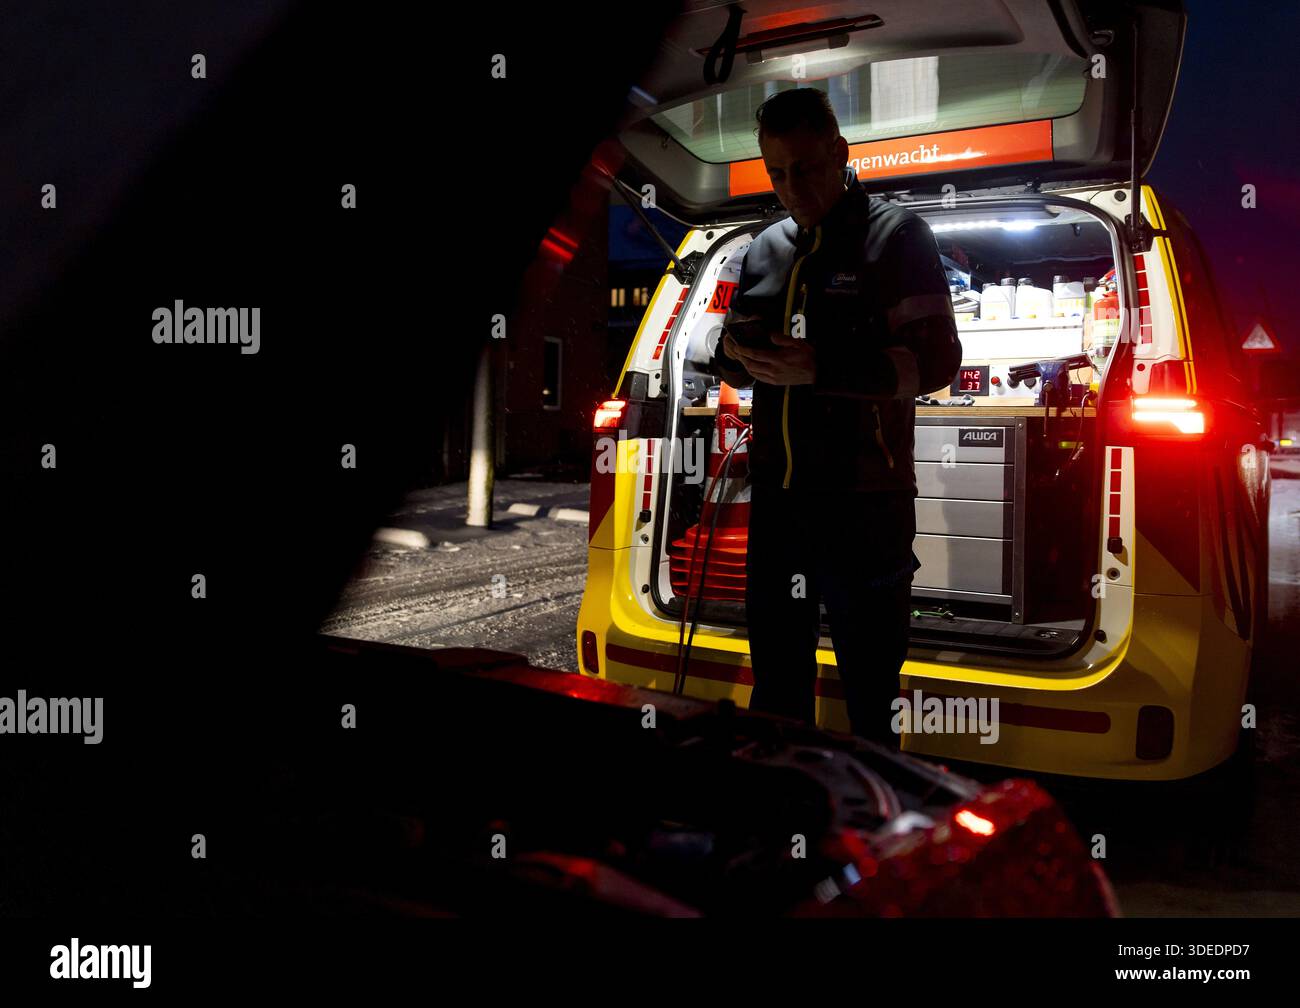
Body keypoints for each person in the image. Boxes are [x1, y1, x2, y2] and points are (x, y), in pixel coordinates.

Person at [708, 87, 961, 748]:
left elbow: (935, 362)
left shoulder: (897, 235)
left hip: (865, 507)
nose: (793, 188)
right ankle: (785, 830)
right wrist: (735, 354)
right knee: (778, 690)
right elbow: (729, 356)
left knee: (872, 695)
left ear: (841, 155)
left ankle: (874, 833)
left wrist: (821, 367)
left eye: (808, 168)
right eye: (778, 173)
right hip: (781, 509)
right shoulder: (763, 246)